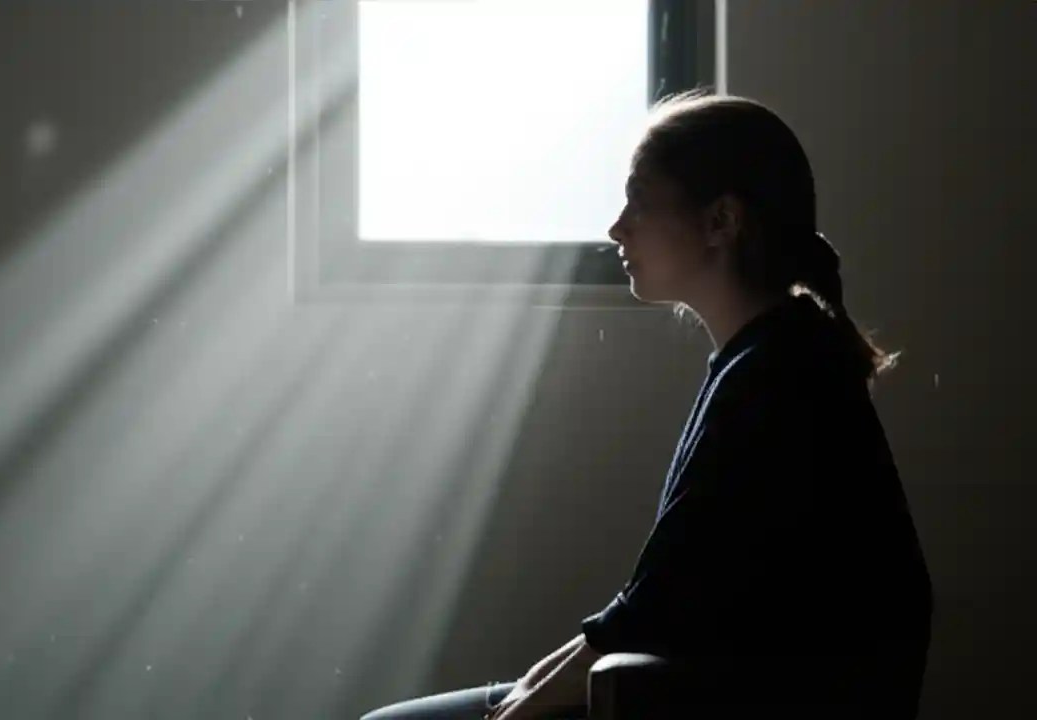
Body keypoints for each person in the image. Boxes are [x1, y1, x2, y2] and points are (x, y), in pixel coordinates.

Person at [359, 91, 933, 720]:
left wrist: (521, 707)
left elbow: (657, 609)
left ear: (721, 221)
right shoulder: (772, 356)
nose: (616, 228)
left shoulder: (775, 378)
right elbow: (655, 601)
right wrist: (528, 691)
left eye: (638, 202)